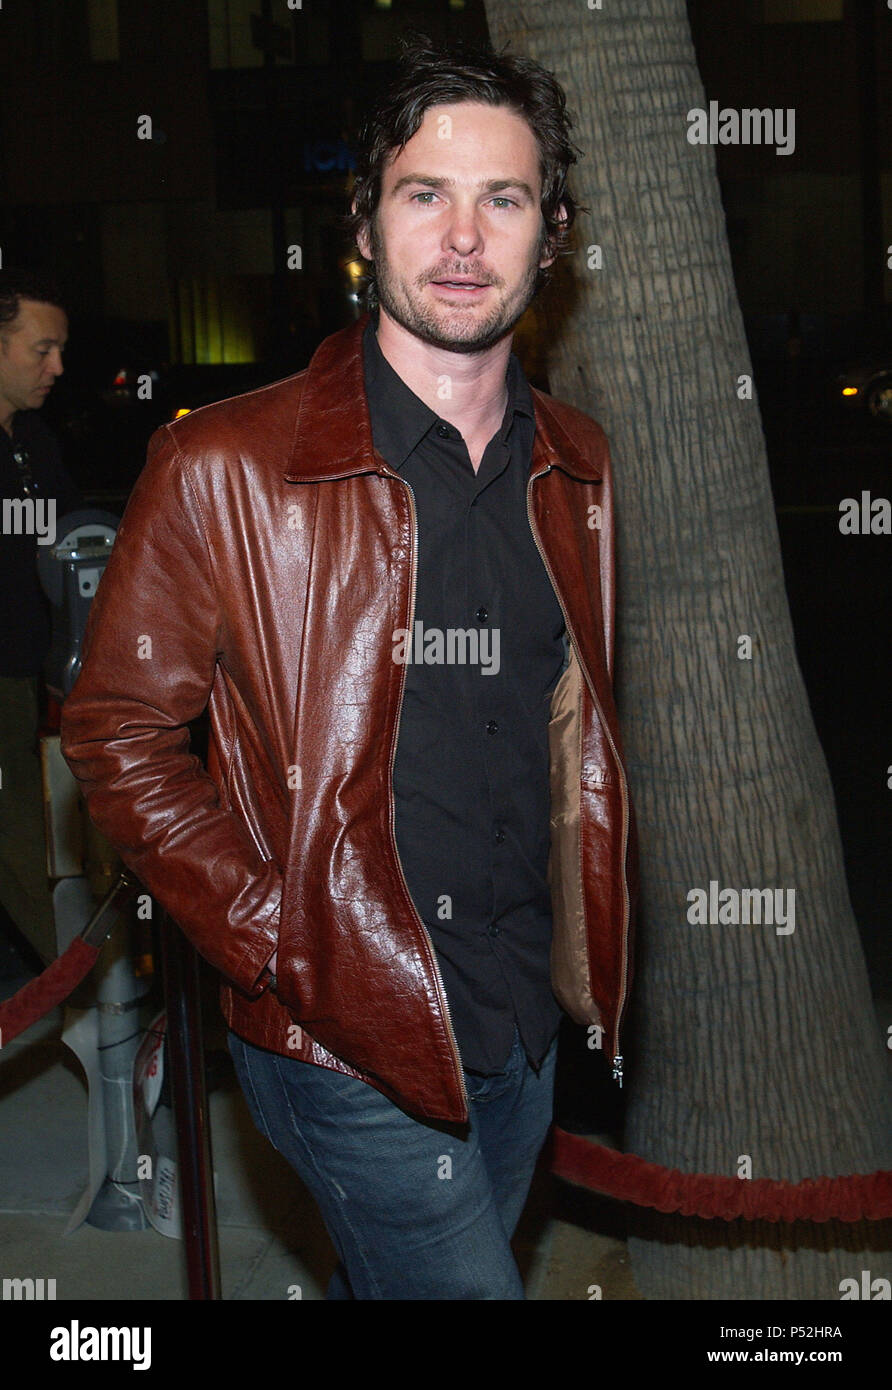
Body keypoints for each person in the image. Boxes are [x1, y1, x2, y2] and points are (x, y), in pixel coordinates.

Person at [61, 36, 637, 1300]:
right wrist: (278, 937)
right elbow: (114, 731)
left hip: (524, 1023)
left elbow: (572, 730)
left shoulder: (580, 463)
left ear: (554, 234)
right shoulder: (223, 465)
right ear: (366, 227)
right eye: (424, 193)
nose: (465, 236)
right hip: (341, 1033)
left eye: (504, 197)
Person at [0, 270, 80, 966]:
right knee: (23, 843)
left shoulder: (36, 441)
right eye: (40, 350)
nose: (56, 367)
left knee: (55, 845)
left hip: (39, 680)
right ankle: (81, 985)